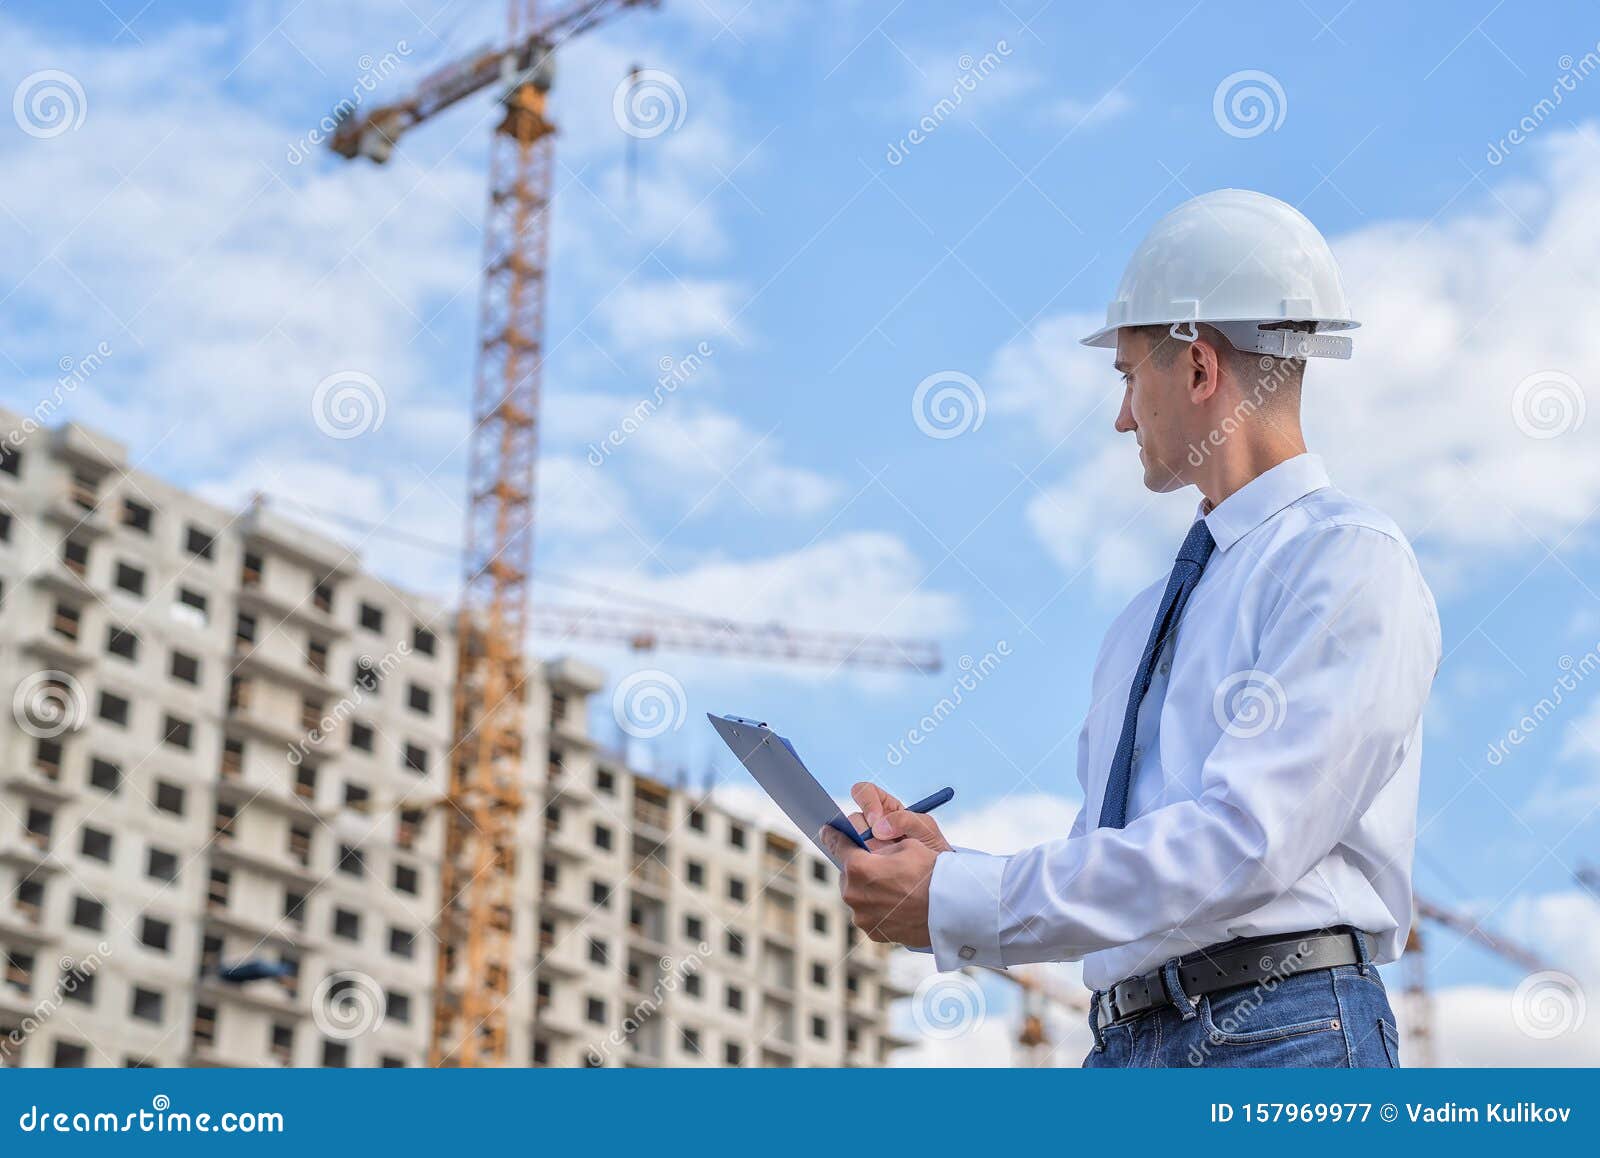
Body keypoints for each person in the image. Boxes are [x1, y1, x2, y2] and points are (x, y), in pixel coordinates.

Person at [819, 189, 1441, 1068]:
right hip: (1124, 1041)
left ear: (1197, 369)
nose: (1119, 416)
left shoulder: (1346, 563)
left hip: (1282, 1038)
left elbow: (1242, 843)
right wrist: (946, 869)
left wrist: (964, 896)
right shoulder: (1141, 623)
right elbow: (1122, 867)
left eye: (1126, 376)